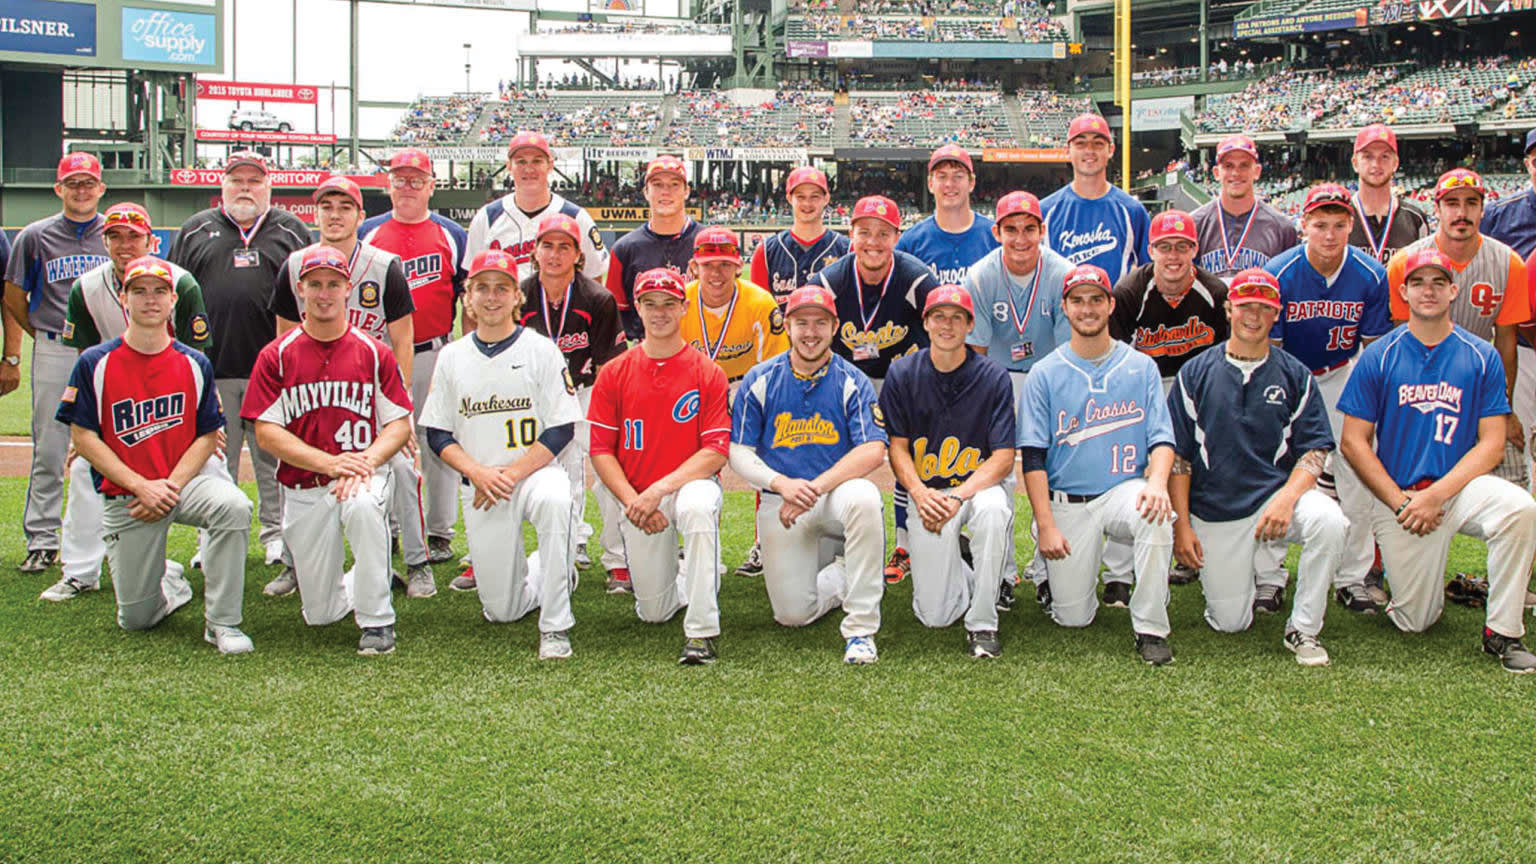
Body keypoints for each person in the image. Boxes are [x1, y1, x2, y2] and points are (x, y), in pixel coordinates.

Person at [1338, 247, 1536, 674]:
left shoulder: (1480, 354)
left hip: (1458, 489)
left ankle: (1503, 630)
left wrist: (1439, 496)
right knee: (1416, 622)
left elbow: (1493, 444)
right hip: (1402, 497)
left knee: (1520, 509)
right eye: (1418, 283)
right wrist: (1402, 502)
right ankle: (1416, 580)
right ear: (1404, 293)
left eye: (1438, 282)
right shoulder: (1380, 355)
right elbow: (1354, 442)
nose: (1428, 291)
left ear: (1453, 290)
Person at [55, 256, 253, 654]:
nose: (150, 300)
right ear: (123, 298)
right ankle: (170, 582)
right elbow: (84, 436)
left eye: (160, 291)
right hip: (128, 497)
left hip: (184, 484)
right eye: (140, 291)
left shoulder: (194, 362)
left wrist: (170, 486)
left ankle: (223, 622)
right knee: (137, 619)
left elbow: (207, 434)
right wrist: (140, 486)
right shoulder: (96, 362)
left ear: (173, 300)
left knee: (233, 505)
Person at [1167, 268, 1347, 665]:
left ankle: (1303, 628)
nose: (1254, 315)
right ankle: (1253, 576)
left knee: (1330, 521)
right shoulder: (1195, 372)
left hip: (1275, 500)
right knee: (1229, 621)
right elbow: (1178, 457)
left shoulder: (1294, 373)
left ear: (1276, 312)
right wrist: (1182, 527)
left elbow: (1314, 449)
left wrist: (1288, 498)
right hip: (1217, 507)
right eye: (1246, 306)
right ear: (1229, 309)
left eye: (1264, 308)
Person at [241, 246, 415, 656]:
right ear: (300, 289)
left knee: (362, 506)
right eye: (315, 284)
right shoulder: (276, 355)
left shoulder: (374, 351)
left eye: (333, 284)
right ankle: (370, 575)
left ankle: (378, 620)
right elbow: (266, 431)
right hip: (306, 482)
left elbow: (398, 424)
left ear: (348, 289)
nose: (324, 293)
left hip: (362, 473)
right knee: (320, 612)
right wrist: (329, 463)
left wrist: (365, 463)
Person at [41, 203, 212, 602]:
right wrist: (82, 434)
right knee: (85, 470)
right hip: (115, 408)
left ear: (152, 240)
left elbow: (199, 357)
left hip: (175, 405)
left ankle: (209, 554)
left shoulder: (181, 283)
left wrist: (208, 424)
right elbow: (86, 361)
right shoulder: (86, 287)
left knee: (213, 470)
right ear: (104, 241)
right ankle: (81, 571)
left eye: (134, 236)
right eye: (115, 236)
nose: (125, 244)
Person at [271, 176, 431, 599]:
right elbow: (284, 337)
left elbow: (402, 339)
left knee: (401, 466)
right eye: (327, 206)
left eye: (345, 207)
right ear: (316, 213)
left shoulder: (384, 264)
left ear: (361, 216)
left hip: (372, 391)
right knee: (296, 467)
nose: (335, 214)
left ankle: (417, 562)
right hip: (312, 392)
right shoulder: (294, 265)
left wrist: (402, 407)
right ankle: (294, 562)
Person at [421, 248, 582, 660]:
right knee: (502, 609)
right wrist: (477, 472)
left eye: (502, 288)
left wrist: (510, 474)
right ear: (467, 297)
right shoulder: (452, 357)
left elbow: (562, 426)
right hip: (482, 483)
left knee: (555, 500)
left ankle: (556, 625)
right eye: (482, 288)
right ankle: (550, 571)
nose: (491, 297)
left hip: (534, 472)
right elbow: (438, 433)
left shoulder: (541, 349)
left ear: (517, 297)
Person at [1018, 263, 1177, 666]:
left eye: (1095, 300)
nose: (1086, 309)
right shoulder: (1044, 373)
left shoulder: (1140, 366)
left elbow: (1161, 438)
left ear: (1110, 305)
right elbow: (1033, 457)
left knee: (1156, 513)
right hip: (1067, 500)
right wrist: (1047, 525)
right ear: (1065, 309)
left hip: (1124, 490)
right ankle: (1049, 574)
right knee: (1073, 618)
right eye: (1077, 301)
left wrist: (1157, 483)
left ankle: (1151, 628)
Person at [729, 284, 888, 664]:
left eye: (820, 322)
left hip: (832, 497)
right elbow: (738, 450)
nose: (811, 332)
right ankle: (846, 573)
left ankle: (861, 629)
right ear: (787, 325)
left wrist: (815, 487)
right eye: (801, 322)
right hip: (782, 502)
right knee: (792, 615)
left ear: (835, 327)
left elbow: (873, 449)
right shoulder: (761, 378)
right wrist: (781, 484)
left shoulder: (852, 380)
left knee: (865, 499)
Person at [169, 151, 310, 571]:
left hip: (273, 370)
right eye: (237, 180)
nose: (245, 187)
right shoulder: (196, 228)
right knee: (213, 458)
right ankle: (211, 536)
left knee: (275, 459)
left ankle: (276, 536)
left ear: (269, 187)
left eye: (254, 180)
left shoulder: (291, 229)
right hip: (210, 369)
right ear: (222, 186)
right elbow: (175, 298)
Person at [587, 268, 730, 665]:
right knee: (653, 612)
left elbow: (715, 451)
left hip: (686, 486)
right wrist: (635, 500)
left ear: (684, 307)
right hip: (638, 498)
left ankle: (701, 631)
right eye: (650, 304)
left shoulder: (707, 372)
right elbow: (600, 449)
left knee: (698, 507)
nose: (660, 312)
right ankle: (701, 574)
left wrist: (657, 492)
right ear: (637, 309)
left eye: (669, 304)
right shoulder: (615, 372)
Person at [1266, 183, 1392, 615]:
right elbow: (1274, 351)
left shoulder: (1371, 274)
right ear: (1304, 226)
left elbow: (1374, 350)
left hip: (1342, 374)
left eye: (1339, 225)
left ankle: (1352, 577)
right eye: (1320, 225)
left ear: (1351, 225)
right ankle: (1269, 574)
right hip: (1290, 377)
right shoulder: (1280, 272)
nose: (1330, 234)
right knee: (1277, 468)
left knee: (1357, 472)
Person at [880, 285, 1015, 658]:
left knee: (992, 511)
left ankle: (984, 621)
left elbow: (1003, 457)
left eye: (957, 317)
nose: (947, 324)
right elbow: (898, 448)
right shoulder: (903, 374)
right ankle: (969, 564)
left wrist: (959, 496)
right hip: (928, 495)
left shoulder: (993, 376)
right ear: (925, 322)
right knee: (934, 615)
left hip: (974, 489)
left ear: (970, 324)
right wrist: (920, 494)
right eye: (939, 316)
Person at [808, 195, 936, 585]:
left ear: (897, 236)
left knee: (908, 456)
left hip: (903, 380)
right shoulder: (830, 279)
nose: (873, 242)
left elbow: (945, 324)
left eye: (883, 233)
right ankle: (841, 540)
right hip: (847, 381)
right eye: (865, 232)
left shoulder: (915, 277)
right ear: (851, 235)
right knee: (840, 455)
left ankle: (906, 542)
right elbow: (808, 327)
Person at [961, 190, 1072, 612]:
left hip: (1051, 377)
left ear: (1042, 231)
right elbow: (979, 355)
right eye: (1011, 230)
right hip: (999, 377)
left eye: (1029, 229)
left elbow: (1067, 355)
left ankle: (1047, 571)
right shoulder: (981, 275)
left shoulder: (1063, 272)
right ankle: (1003, 573)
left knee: (1055, 469)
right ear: (997, 232)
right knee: (1000, 473)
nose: (1021, 238)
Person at [1386, 169, 1531, 489]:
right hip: (1423, 386)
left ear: (1483, 209)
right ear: (1436, 208)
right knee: (1409, 495)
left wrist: (1503, 408)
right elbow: (1401, 343)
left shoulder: (1507, 262)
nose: (1461, 212)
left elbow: (1506, 343)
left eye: (1471, 203)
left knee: (1516, 496)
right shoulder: (1404, 262)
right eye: (1452, 203)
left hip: (1482, 386)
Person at [360, 147, 470, 568]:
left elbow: (468, 295)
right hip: (379, 355)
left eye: (416, 180)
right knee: (384, 441)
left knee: (437, 440)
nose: (407, 187)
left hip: (435, 351)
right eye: (400, 179)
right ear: (388, 184)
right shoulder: (368, 232)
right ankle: (387, 527)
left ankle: (440, 533)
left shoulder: (450, 234)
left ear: (431, 186)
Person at [3, 152, 111, 573]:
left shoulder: (117, 232)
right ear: (58, 189)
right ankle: (43, 539)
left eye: (88, 183)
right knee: (49, 445)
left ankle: (108, 531)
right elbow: (14, 293)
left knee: (112, 441)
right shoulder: (35, 235)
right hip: (56, 344)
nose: (81, 190)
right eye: (73, 183)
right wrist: (38, 333)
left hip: (107, 345)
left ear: (101, 188)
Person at [517, 212, 627, 591]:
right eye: (547, 245)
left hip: (584, 388)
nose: (554, 254)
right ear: (535, 251)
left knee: (583, 461)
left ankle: (584, 543)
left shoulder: (596, 298)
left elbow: (608, 366)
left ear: (579, 255)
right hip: (532, 393)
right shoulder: (520, 294)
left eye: (564, 247)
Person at [466, 131, 607, 285]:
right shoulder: (486, 217)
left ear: (550, 165)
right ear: (509, 166)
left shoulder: (576, 217)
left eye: (537, 161)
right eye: (521, 162)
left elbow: (595, 278)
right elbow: (471, 281)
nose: (528, 169)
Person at [1040, 114, 1150, 283]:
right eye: (1080, 143)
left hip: (1116, 308)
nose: (1089, 150)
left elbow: (1149, 272)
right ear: (1067, 150)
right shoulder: (1046, 211)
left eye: (1098, 143)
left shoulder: (1132, 210)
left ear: (1111, 150)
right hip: (1061, 308)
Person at [606, 155, 703, 340]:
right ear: (646, 192)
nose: (665, 192)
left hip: (702, 352)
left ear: (687, 191)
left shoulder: (707, 245)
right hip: (647, 354)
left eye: (674, 184)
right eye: (657, 185)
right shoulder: (624, 249)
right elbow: (616, 319)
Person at [681, 227, 787, 386]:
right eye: (708, 265)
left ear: (738, 266)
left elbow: (776, 368)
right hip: (692, 388)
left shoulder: (760, 303)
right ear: (694, 267)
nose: (716, 273)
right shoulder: (681, 302)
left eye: (725, 264)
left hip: (745, 388)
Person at [1191, 135, 1299, 281]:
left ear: (1257, 171)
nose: (1236, 173)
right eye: (1228, 166)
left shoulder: (1282, 228)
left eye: (1244, 165)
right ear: (1216, 173)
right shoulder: (1195, 223)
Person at [895, 144, 999, 285]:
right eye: (942, 176)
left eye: (958, 176)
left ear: (971, 183)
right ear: (930, 184)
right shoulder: (910, 242)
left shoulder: (995, 237)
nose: (949, 184)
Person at [747, 166, 849, 303]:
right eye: (800, 197)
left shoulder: (847, 250)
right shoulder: (766, 252)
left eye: (815, 196)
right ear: (789, 198)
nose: (807, 203)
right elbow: (758, 309)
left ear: (826, 199)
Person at [1348, 124, 1430, 265]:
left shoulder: (1415, 219)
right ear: (1355, 163)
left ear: (1395, 163)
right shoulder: (1340, 216)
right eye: (1368, 156)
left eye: (1385, 156)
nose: (1376, 164)